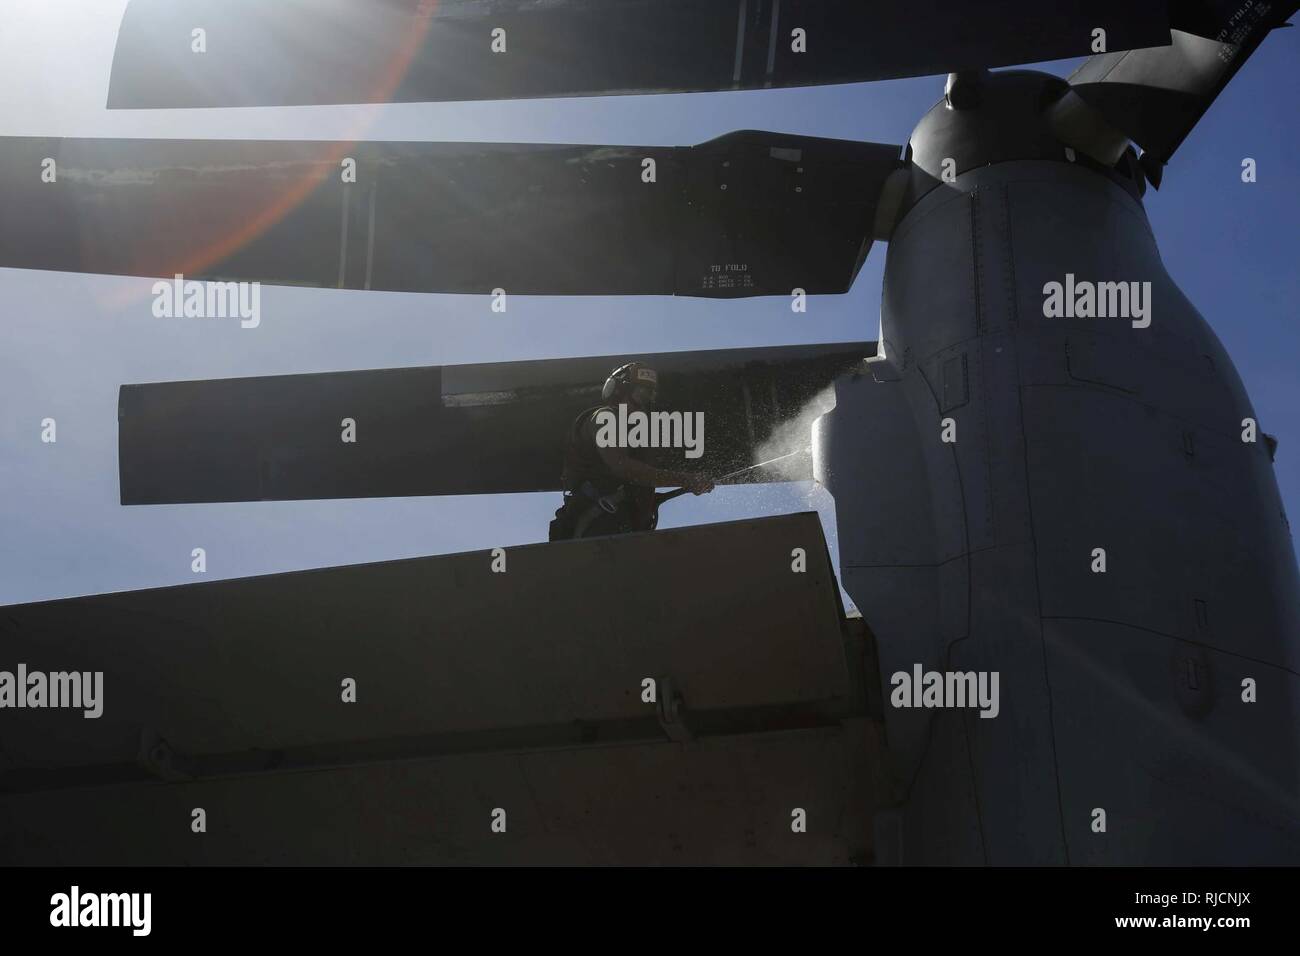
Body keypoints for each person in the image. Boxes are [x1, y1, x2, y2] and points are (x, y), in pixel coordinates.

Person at [548, 362, 714, 541]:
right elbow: (622, 467)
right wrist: (684, 479)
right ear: (618, 392)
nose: (644, 404)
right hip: (596, 530)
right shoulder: (604, 418)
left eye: (649, 397)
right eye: (641, 395)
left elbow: (629, 484)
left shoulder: (633, 435)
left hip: (620, 532)